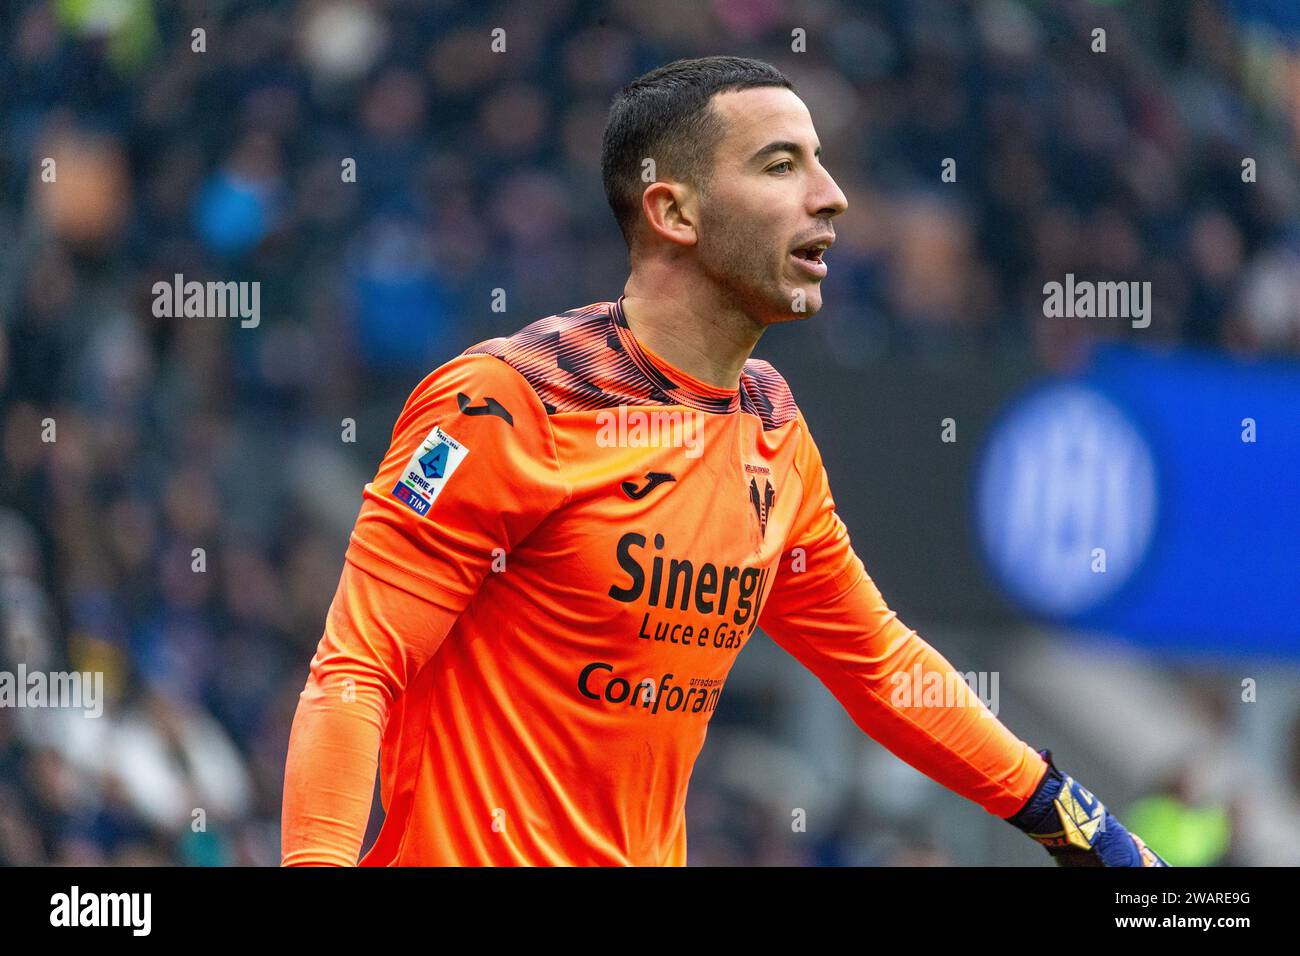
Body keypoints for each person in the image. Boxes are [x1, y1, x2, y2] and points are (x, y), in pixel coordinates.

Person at [281, 55, 1166, 867]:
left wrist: (1078, 824)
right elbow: (356, 671)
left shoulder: (770, 429)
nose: (831, 197)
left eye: (820, 162)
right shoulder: (512, 400)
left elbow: (882, 667)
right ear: (674, 212)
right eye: (781, 166)